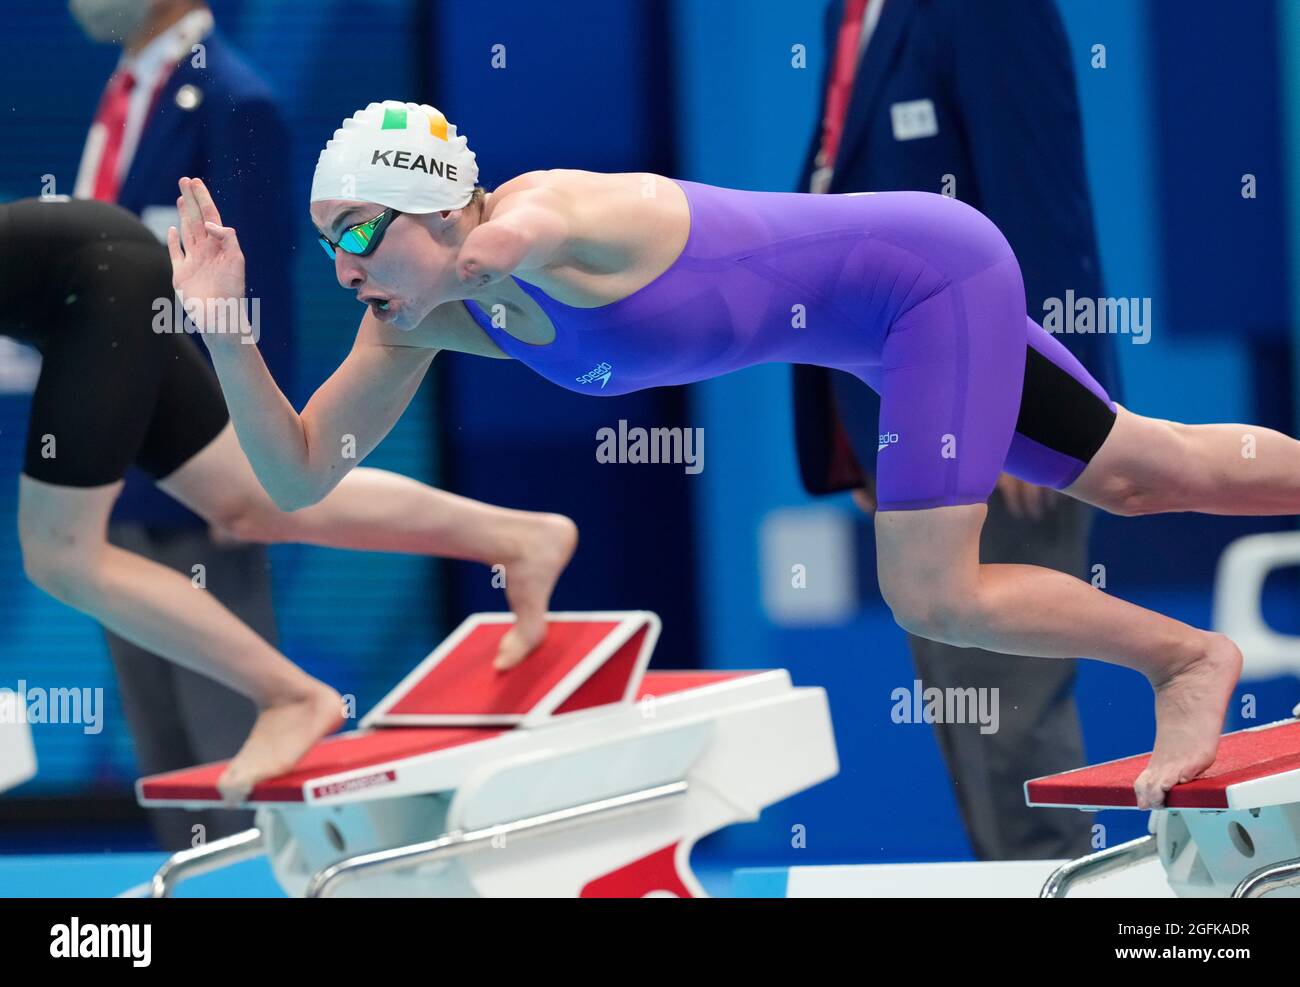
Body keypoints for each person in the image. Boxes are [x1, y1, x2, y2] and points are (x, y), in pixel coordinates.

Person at [176, 101, 1256, 810]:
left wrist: (473, 245)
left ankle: (1184, 659)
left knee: (929, 589)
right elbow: (298, 474)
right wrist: (227, 332)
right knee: (1143, 471)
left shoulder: (545, 212)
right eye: (325, 243)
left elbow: (513, 238)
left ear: (442, 206)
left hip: (930, 276)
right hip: (882, 336)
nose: (341, 266)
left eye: (359, 231)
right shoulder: (422, 314)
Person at [2, 195, 577, 802]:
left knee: (59, 553)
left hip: (94, 280)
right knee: (249, 496)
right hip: (98, 269)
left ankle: (289, 696)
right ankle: (516, 539)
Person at [789, 0, 1117, 858]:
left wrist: (1035, 406)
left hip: (995, 407)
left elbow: (1040, 196)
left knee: (1010, 714)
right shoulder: (846, 13)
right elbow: (840, 200)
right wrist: (851, 427)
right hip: (899, 410)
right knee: (964, 717)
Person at [69, 0, 298, 848]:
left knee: (230, 737)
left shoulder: (238, 101)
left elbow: (256, 303)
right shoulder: (127, 90)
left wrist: (251, 466)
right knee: (164, 752)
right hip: (114, 462)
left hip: (203, 475)